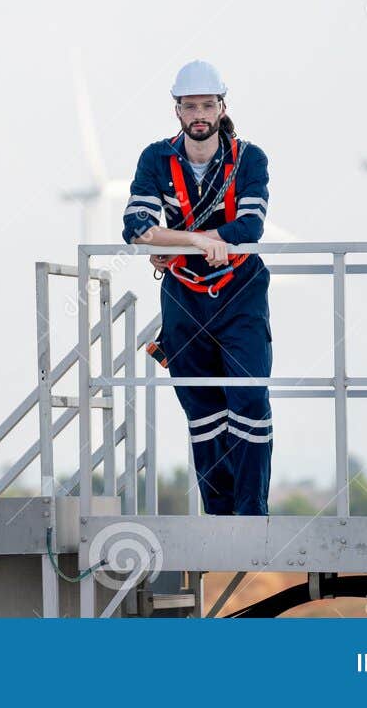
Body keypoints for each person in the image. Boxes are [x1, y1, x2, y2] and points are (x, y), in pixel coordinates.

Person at [122, 60, 272, 516]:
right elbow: (136, 227)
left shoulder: (251, 158)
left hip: (240, 290)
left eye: (208, 104)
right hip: (183, 295)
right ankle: (219, 516)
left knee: (248, 396)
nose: (200, 114)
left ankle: (251, 514)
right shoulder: (156, 158)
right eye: (191, 107)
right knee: (201, 408)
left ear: (222, 106)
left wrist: (173, 241)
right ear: (178, 111)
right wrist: (197, 242)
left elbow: (251, 226)